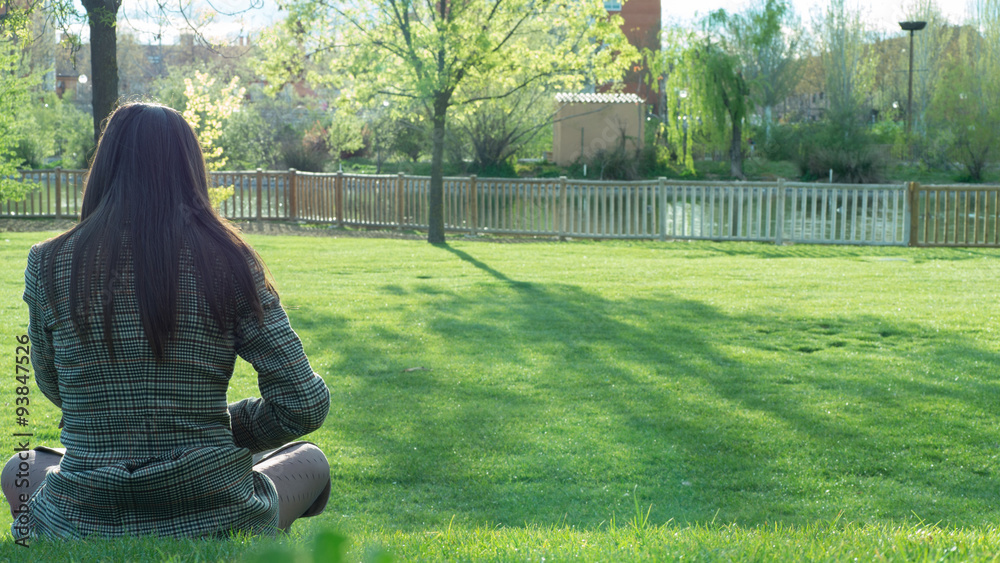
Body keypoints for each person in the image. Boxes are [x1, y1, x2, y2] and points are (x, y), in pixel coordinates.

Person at [1, 102, 331, 540]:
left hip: (87, 513)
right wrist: (220, 431)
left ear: (106, 166)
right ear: (190, 168)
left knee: (20, 467)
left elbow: (53, 385)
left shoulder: (49, 261)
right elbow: (303, 403)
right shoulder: (229, 260)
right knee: (311, 461)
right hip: (214, 510)